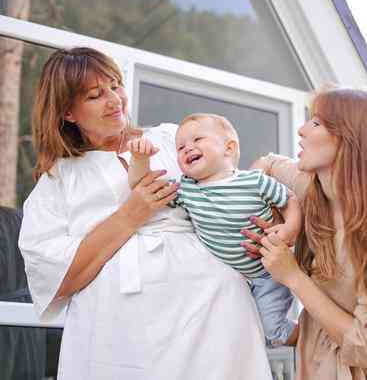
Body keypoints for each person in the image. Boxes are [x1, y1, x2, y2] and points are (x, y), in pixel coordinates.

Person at [18, 47, 272, 380]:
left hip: (211, 304)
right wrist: (130, 215)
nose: (114, 100)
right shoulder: (58, 182)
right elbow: (57, 279)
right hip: (120, 325)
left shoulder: (169, 138)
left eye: (115, 85)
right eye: (96, 95)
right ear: (68, 112)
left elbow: (228, 184)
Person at [245, 87, 367, 380]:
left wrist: (292, 276)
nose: (301, 130)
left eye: (316, 123)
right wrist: (280, 218)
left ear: (353, 138)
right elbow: (269, 163)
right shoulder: (311, 192)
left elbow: (365, 348)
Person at [126, 113, 301, 346]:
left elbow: (290, 200)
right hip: (235, 281)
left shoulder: (254, 181)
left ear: (228, 148)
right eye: (180, 147)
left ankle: (315, 335)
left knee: (273, 332)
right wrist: (139, 160)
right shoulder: (186, 190)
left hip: (269, 274)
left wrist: (290, 228)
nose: (188, 148)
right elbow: (142, 187)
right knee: (248, 335)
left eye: (198, 139)